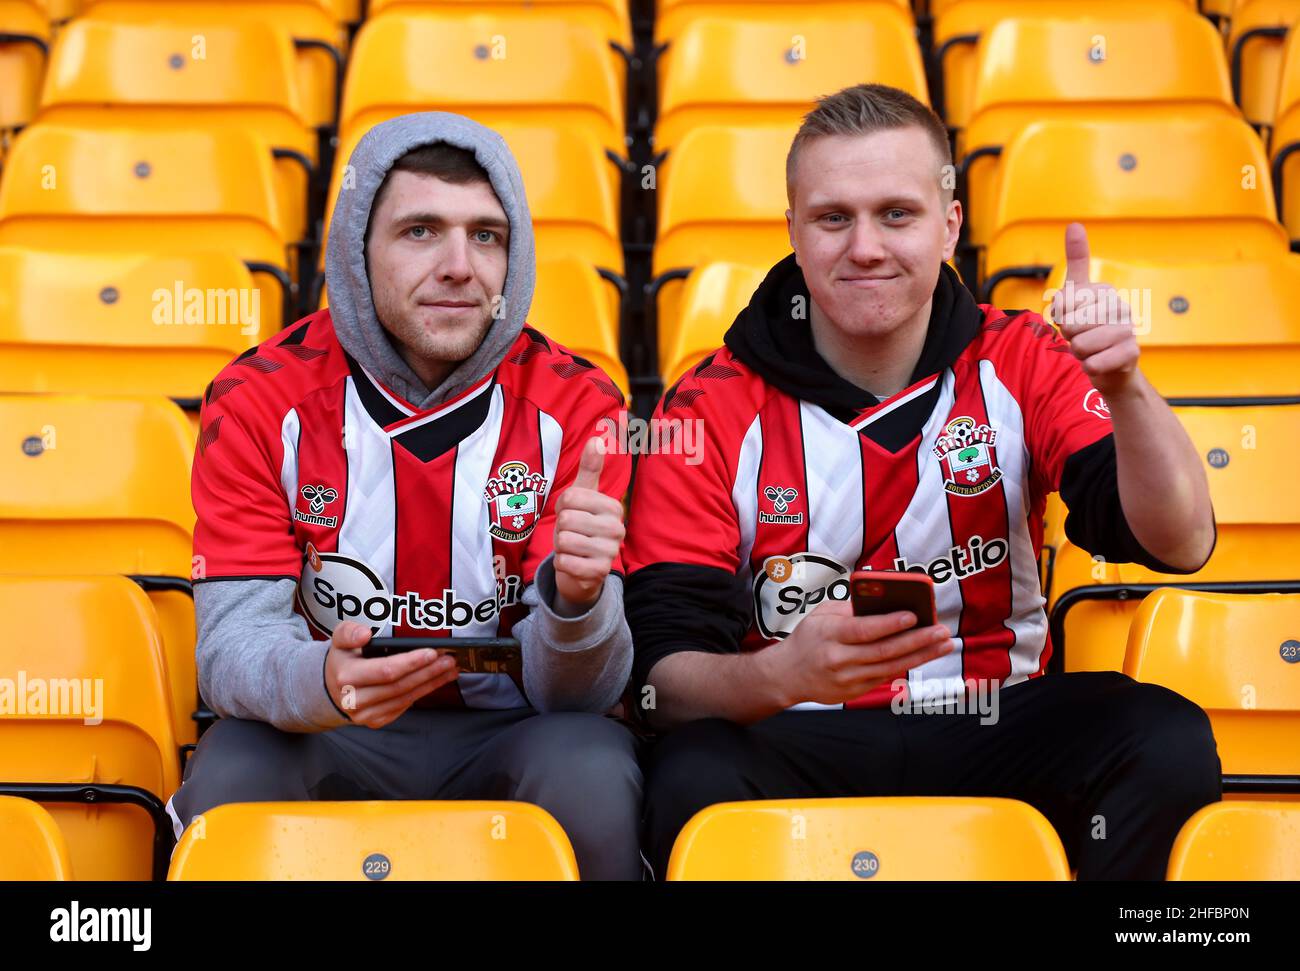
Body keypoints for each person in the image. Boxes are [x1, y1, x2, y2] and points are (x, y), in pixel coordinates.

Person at [624, 83, 1221, 880]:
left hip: (995, 720)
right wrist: (782, 673)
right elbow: (661, 678)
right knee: (688, 773)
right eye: (834, 217)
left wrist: (1128, 390)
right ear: (794, 233)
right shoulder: (707, 405)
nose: (864, 246)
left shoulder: (1023, 358)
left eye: (896, 214)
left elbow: (1178, 543)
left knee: (1162, 736)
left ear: (950, 227)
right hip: (795, 727)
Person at [167, 112, 643, 881]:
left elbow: (582, 692)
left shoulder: (581, 406)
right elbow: (230, 650)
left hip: (514, 731)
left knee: (589, 768)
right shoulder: (257, 398)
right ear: (358, 251)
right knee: (233, 775)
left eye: (487, 235)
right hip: (323, 725)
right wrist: (321, 679)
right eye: (421, 231)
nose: (461, 266)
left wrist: (579, 602)